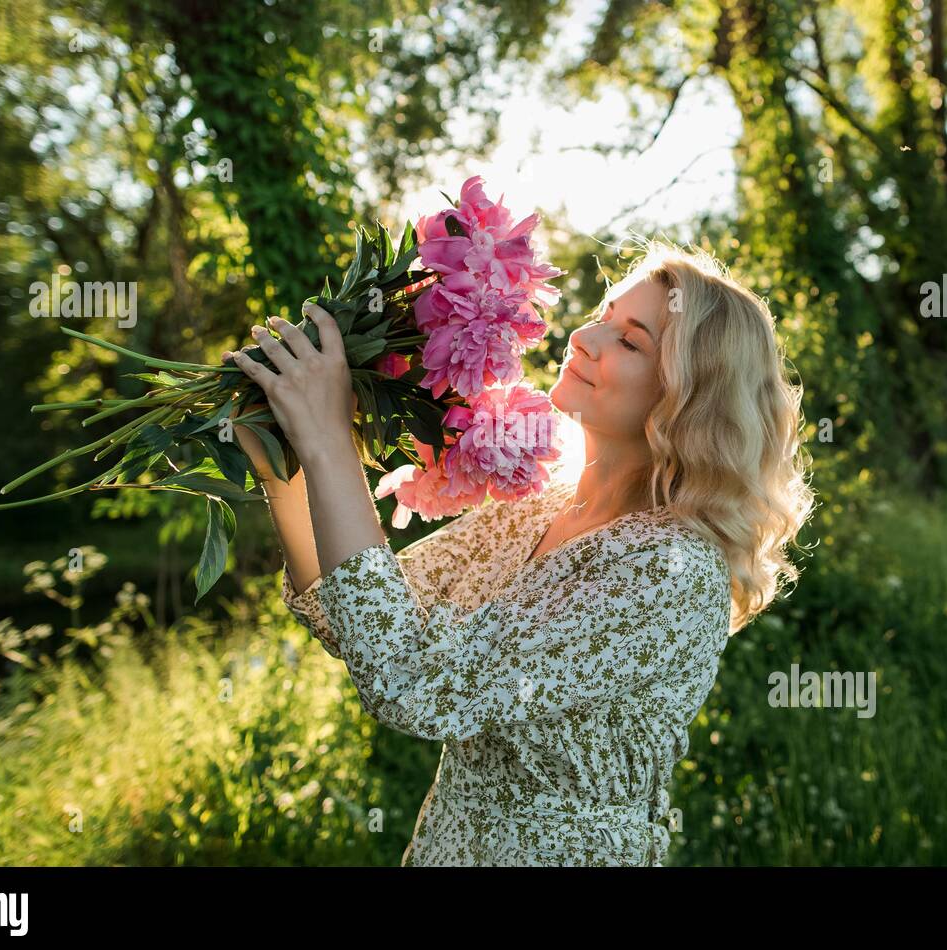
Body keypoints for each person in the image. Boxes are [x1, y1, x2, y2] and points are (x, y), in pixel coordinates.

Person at [223, 238, 815, 865]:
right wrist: (286, 473)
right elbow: (361, 621)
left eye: (631, 341)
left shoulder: (671, 570)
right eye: (603, 314)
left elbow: (413, 685)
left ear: (690, 396)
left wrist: (329, 446)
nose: (585, 335)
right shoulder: (536, 506)